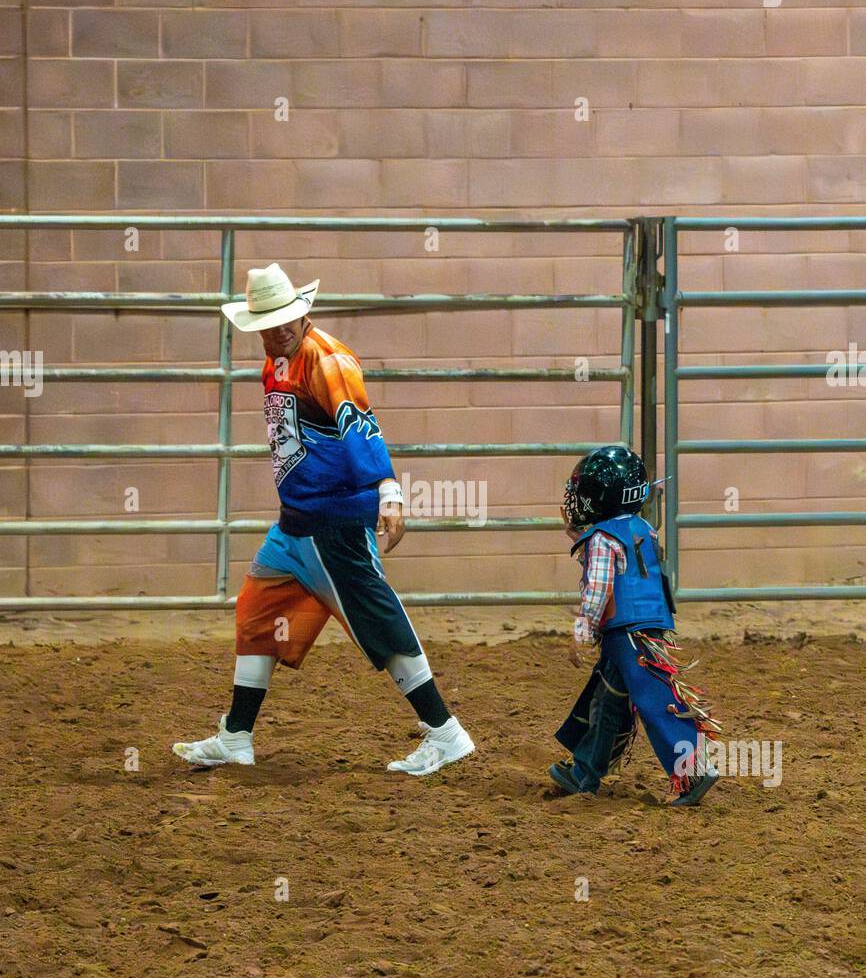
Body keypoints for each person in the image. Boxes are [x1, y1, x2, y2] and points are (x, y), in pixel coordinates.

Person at [173, 263, 475, 777]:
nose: (277, 330)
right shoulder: (279, 361)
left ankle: (446, 734)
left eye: (285, 320)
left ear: (302, 312)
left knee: (377, 621)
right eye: (267, 323)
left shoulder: (326, 360)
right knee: (257, 611)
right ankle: (236, 736)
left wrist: (388, 489)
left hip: (334, 522)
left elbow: (359, 423)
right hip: (297, 523)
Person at [549, 445, 720, 807]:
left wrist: (581, 631)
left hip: (625, 631)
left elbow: (598, 588)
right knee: (608, 701)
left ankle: (693, 768)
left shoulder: (601, 539)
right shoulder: (641, 527)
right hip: (647, 626)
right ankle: (585, 772)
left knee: (652, 699)